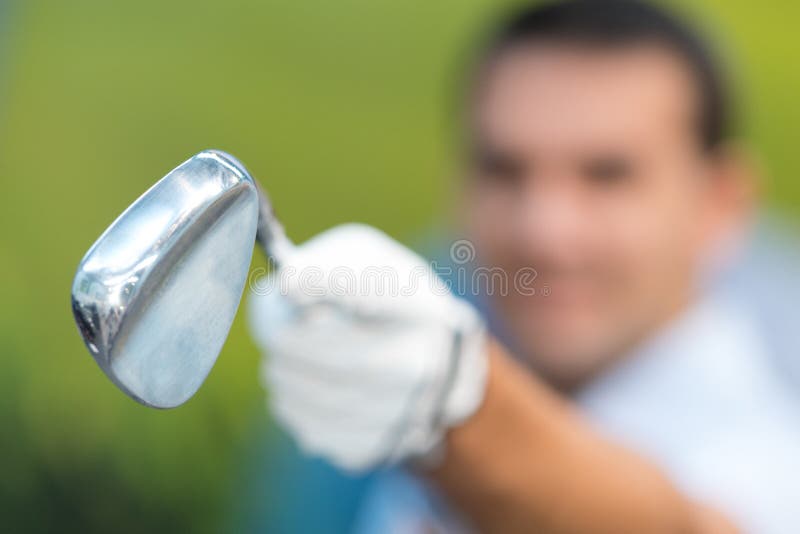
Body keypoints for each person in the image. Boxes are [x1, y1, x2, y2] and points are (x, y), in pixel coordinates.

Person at [248, 1, 800, 532]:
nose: (544, 231)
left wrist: (453, 403)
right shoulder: (429, 310)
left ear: (719, 206)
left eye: (608, 176)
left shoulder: (766, 445)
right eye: (504, 171)